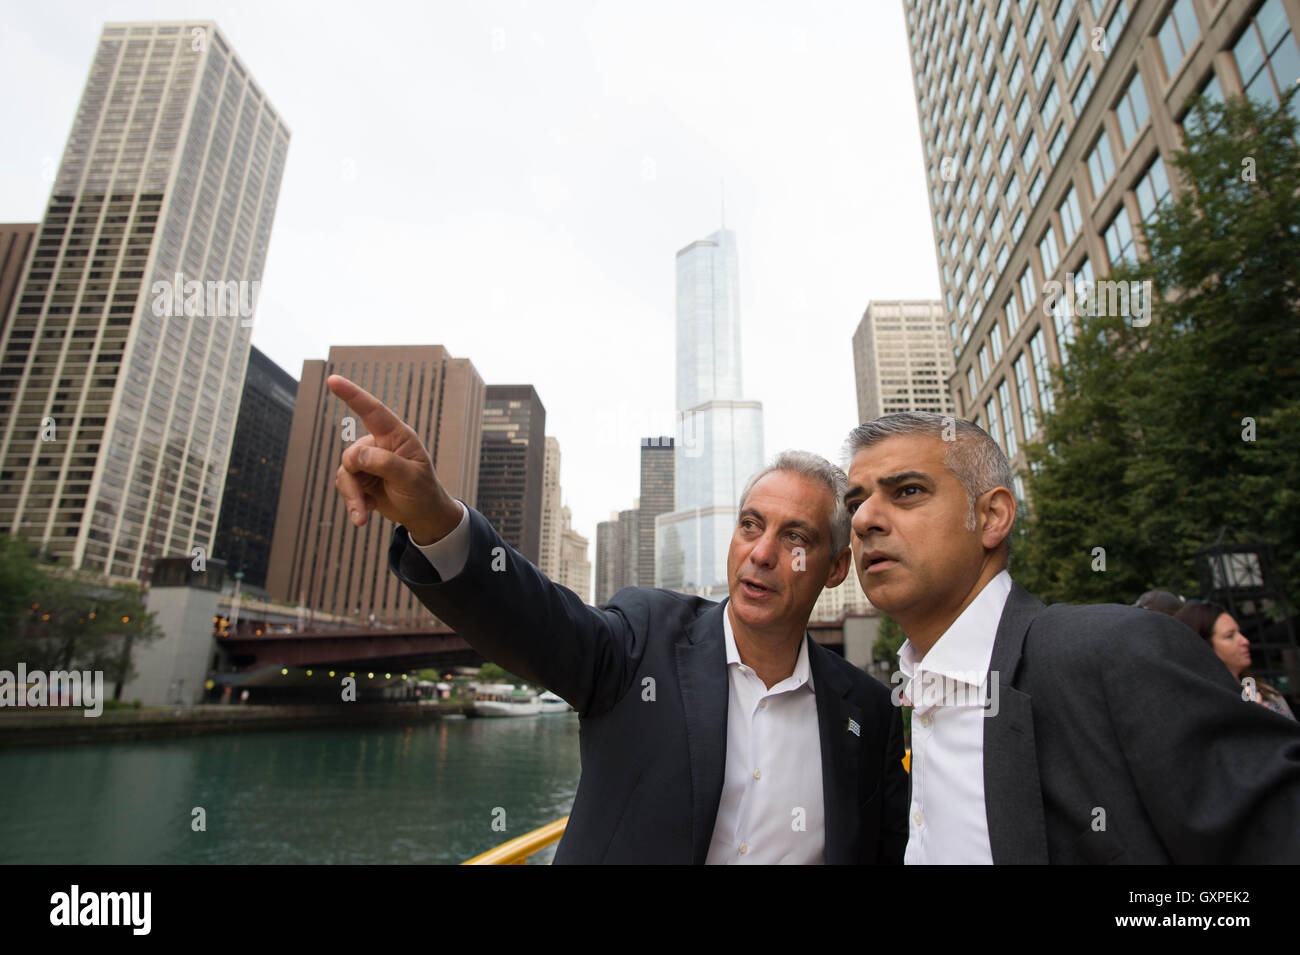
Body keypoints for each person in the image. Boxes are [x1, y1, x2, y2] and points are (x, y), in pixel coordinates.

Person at [327, 374, 907, 864]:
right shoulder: (644, 639)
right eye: (750, 525)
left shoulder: (871, 714)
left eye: (794, 537)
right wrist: (435, 518)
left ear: (834, 568)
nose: (760, 552)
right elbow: (537, 619)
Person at [842, 411, 1300, 864]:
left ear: (992, 516)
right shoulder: (911, 696)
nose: (864, 521)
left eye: (908, 491)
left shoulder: (1121, 650)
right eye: (854, 504)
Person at [1174, 600, 1296, 721]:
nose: (1244, 641)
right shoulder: (1197, 709)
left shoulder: (1264, 691)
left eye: (1239, 632)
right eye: (1230, 636)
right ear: (1204, 646)